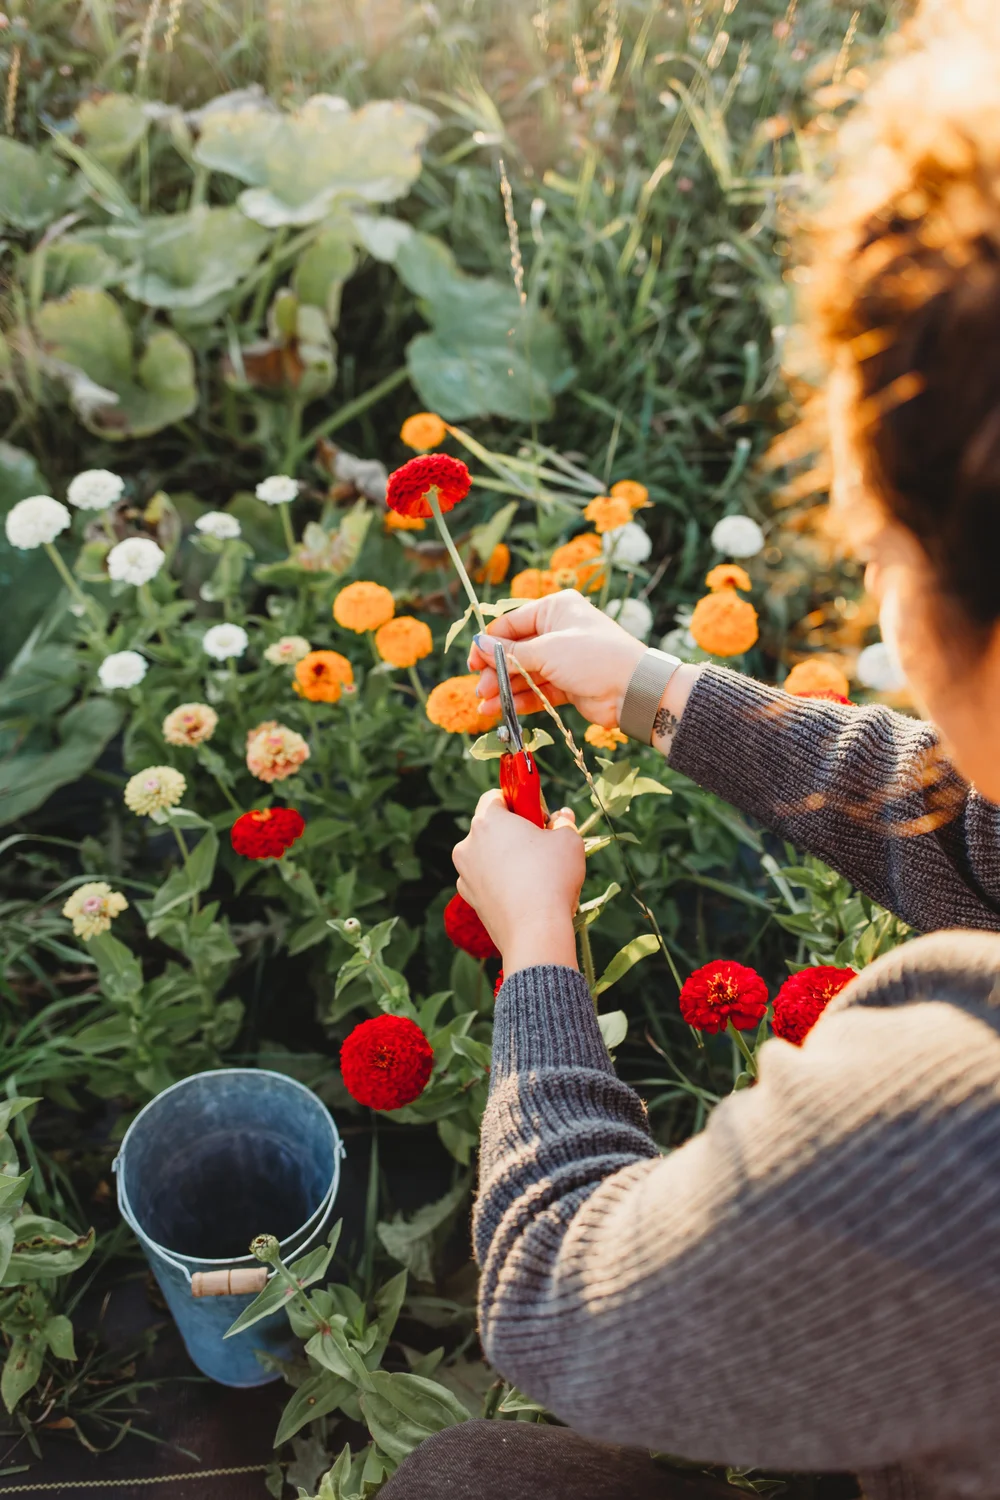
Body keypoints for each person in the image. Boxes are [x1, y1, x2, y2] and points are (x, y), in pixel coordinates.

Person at [380, 4, 1000, 1498]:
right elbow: (981, 850)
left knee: (466, 1482)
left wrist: (537, 953)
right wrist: (663, 691)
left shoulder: (954, 1133)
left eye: (876, 550)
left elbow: (555, 1281)